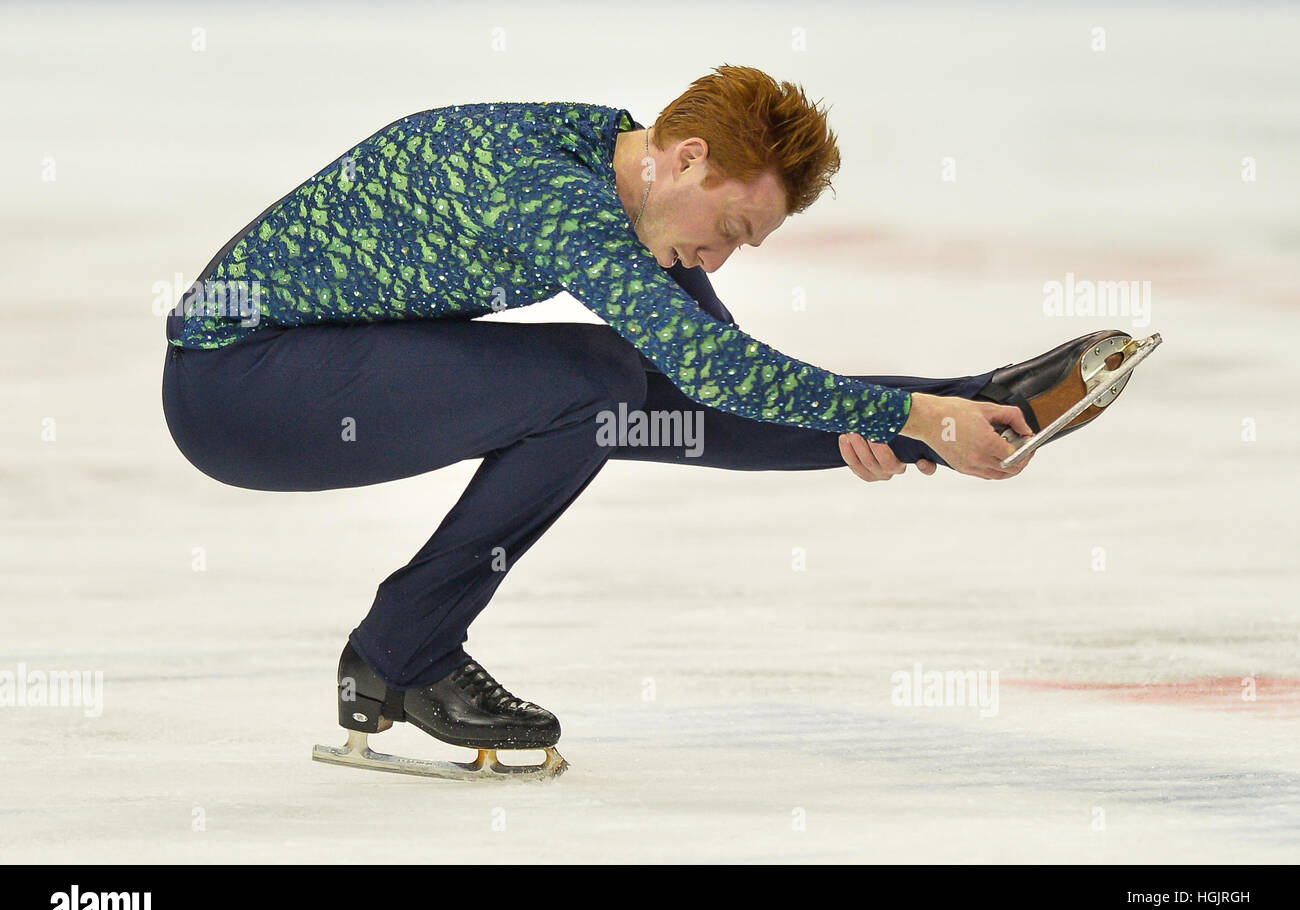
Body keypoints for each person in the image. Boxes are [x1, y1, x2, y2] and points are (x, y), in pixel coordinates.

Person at [161, 65, 1149, 779]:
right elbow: (713, 368)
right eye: (730, 230)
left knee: (622, 388)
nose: (720, 259)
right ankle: (404, 654)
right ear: (686, 159)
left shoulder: (609, 159)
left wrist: (922, 418)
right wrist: (904, 412)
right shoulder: (556, 196)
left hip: (290, 366)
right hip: (238, 385)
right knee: (596, 385)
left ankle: (984, 400)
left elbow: (708, 392)